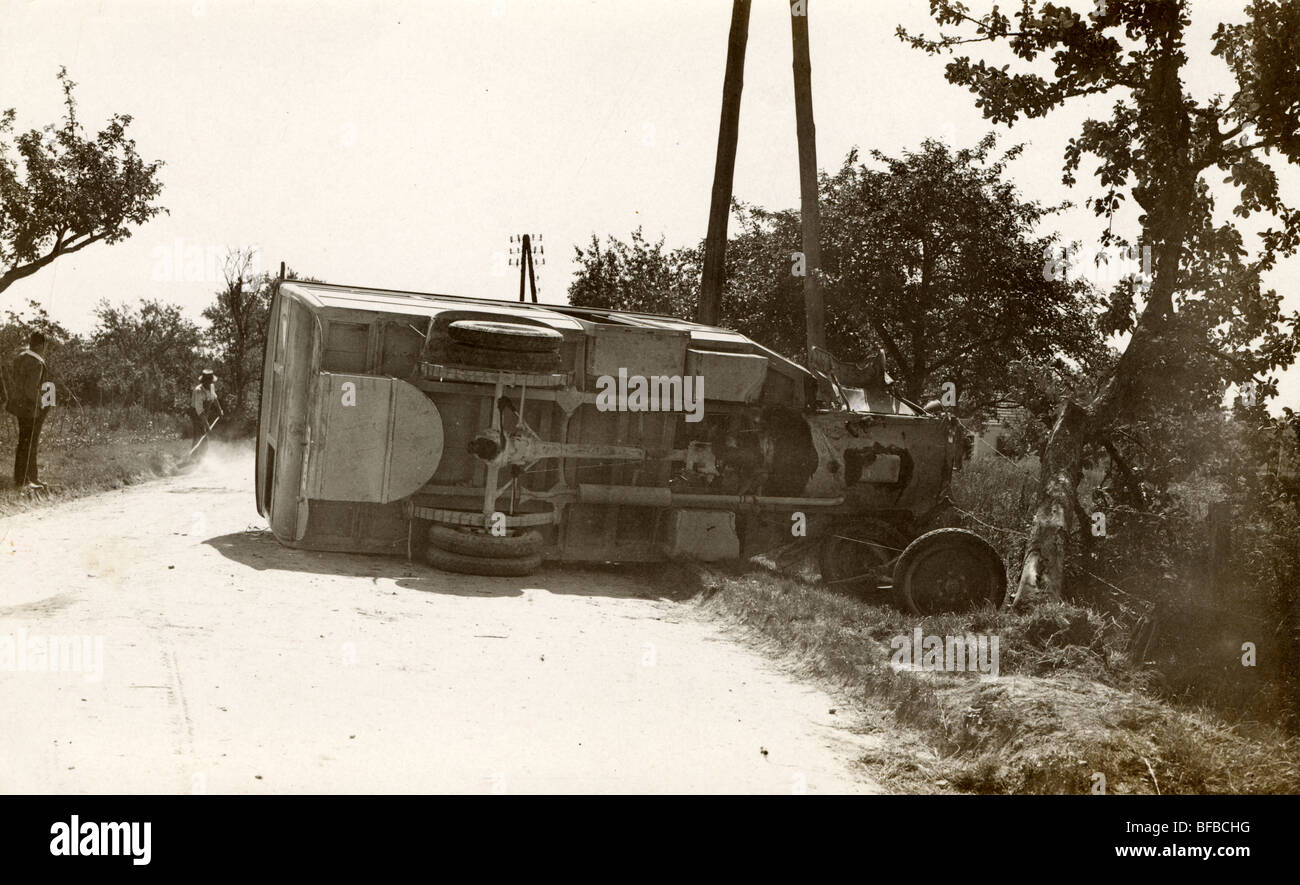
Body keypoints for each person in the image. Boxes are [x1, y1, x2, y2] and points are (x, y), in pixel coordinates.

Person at [8, 331, 52, 489]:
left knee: (24, 443)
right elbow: (31, 389)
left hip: (19, 406)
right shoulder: (36, 362)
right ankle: (24, 481)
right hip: (30, 408)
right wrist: (41, 402)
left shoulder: (20, 358)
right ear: (41, 345)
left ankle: (30, 477)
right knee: (29, 444)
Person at [191, 369, 223, 446]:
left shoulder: (211, 386)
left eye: (210, 381)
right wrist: (207, 425)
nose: (209, 383)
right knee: (199, 436)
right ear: (203, 381)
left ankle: (202, 454)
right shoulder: (198, 391)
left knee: (204, 435)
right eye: (207, 381)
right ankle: (194, 456)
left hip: (205, 414)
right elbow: (200, 411)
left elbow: (214, 398)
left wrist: (219, 410)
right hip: (196, 415)